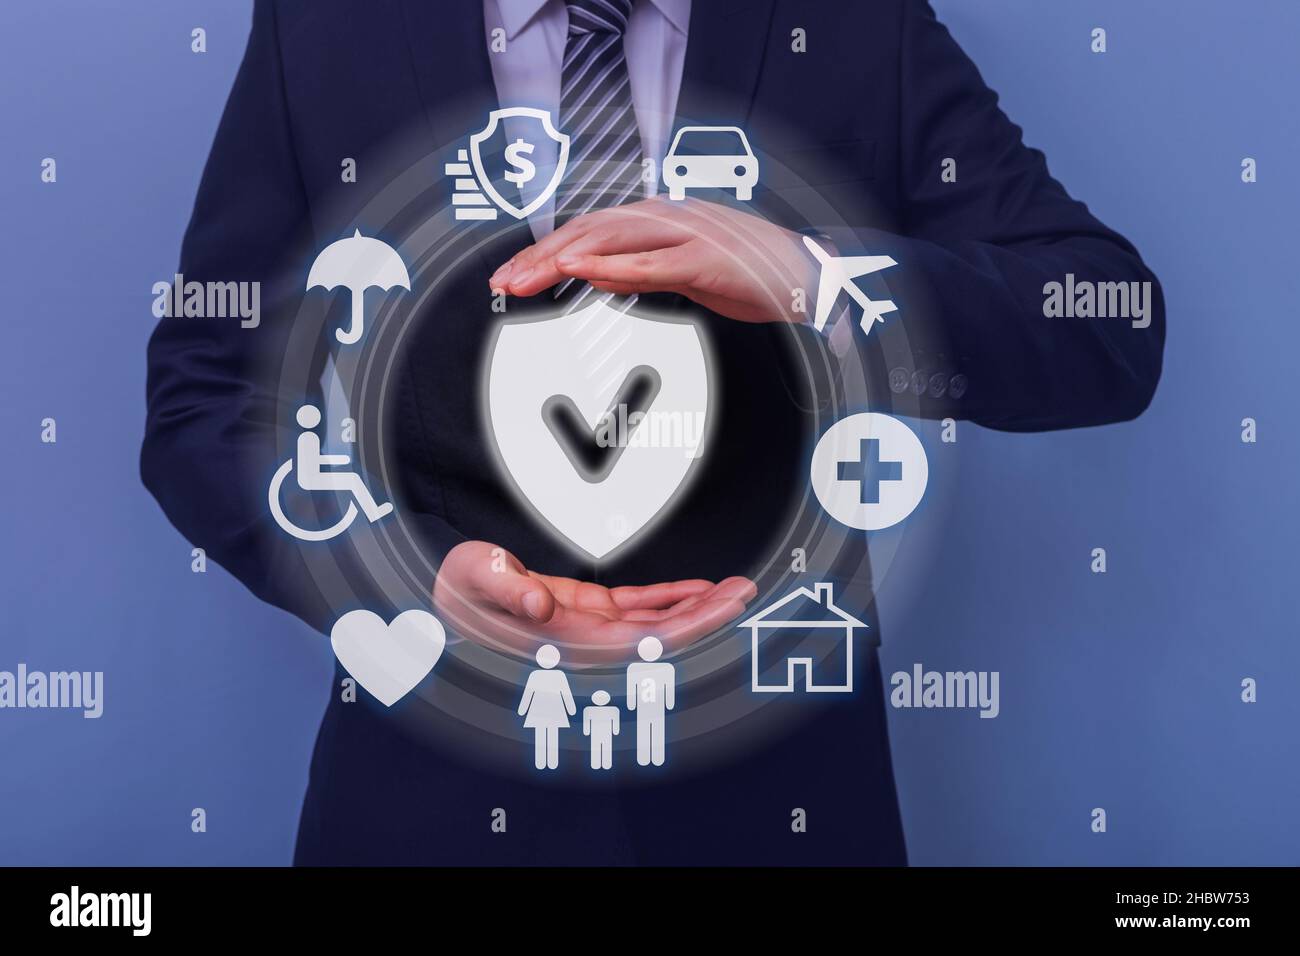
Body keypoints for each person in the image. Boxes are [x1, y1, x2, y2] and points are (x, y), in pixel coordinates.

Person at [141, 0, 1164, 864]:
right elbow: (203, 398)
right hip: (429, 797)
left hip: (779, 794)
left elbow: (1107, 322)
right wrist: (401, 586)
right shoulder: (326, 25)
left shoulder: (852, 22)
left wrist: (819, 277)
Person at [292, 405, 392, 522]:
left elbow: (317, 460)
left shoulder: (307, 437)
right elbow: (315, 461)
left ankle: (373, 511)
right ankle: (373, 512)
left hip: (315, 475)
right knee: (353, 479)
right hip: (313, 478)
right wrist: (340, 460)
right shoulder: (308, 438)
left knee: (353, 476)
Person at [518, 644, 576, 770]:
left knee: (543, 737)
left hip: (540, 712)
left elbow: (528, 696)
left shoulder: (537, 675)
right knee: (550, 737)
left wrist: (522, 711)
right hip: (553, 712)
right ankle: (550, 761)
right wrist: (571, 711)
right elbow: (565, 696)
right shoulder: (557, 676)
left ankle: (543, 762)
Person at [625, 636, 674, 767]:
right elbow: (668, 689)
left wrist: (631, 705)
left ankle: (645, 757)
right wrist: (669, 704)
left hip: (645, 706)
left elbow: (632, 689)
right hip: (655, 706)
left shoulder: (635, 668)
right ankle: (654, 757)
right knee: (655, 730)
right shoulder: (665, 668)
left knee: (645, 730)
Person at [582, 690, 620, 771]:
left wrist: (587, 732)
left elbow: (586, 728)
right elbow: (616, 728)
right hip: (606, 733)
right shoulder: (614, 710)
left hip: (596, 734)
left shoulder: (588, 710)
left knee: (596, 748)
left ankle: (596, 764)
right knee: (606, 748)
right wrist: (615, 731)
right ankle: (606, 764)